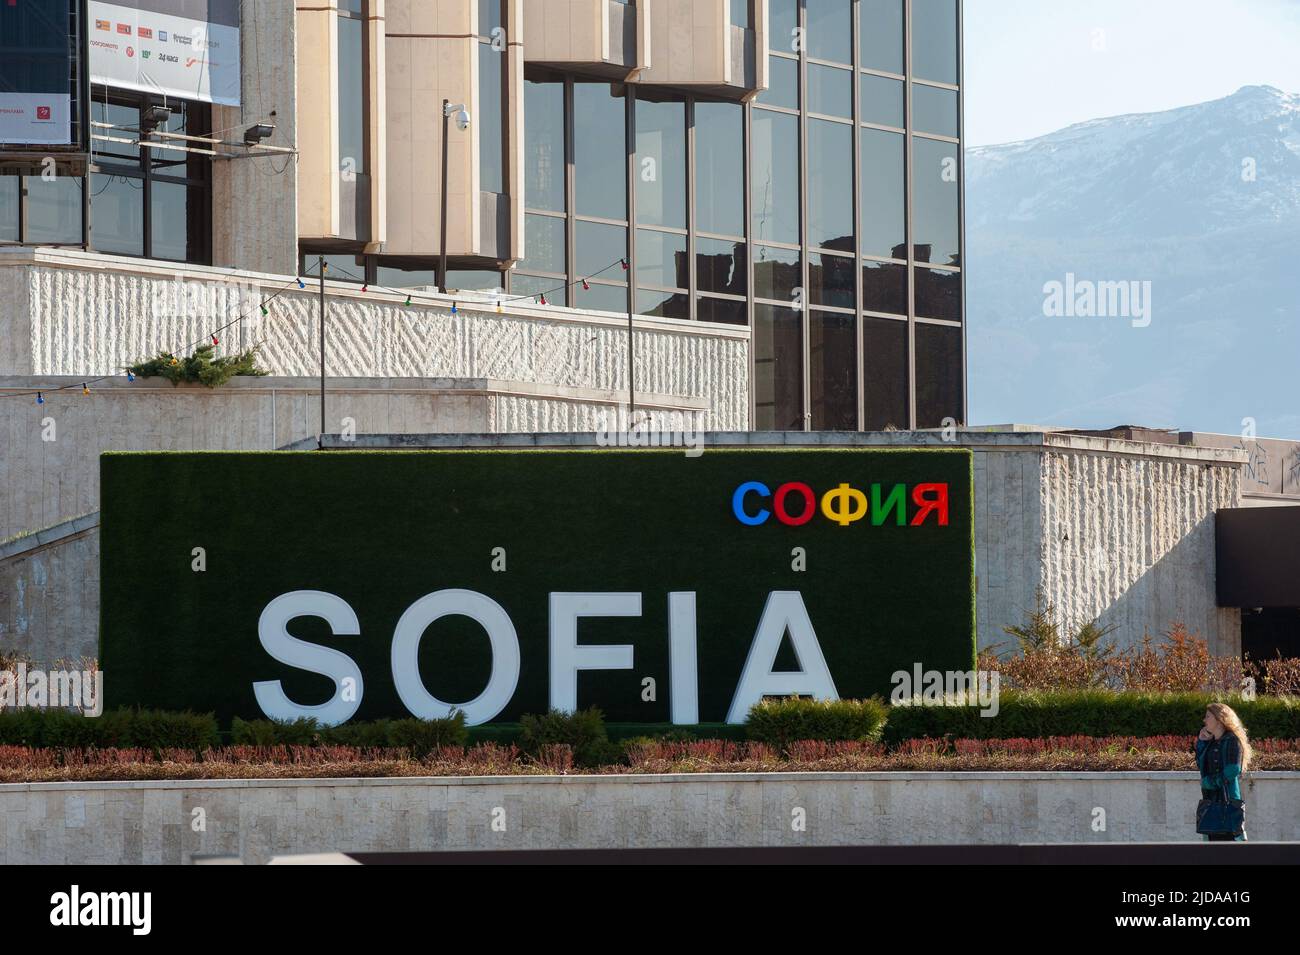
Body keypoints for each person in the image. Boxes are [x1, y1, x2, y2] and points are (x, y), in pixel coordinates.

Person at [1194, 702, 1251, 842]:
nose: (1204, 720)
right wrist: (1202, 742)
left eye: (1208, 716)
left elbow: (1232, 771)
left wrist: (1209, 782)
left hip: (1228, 801)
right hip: (1211, 801)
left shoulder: (1231, 740)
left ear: (1219, 719)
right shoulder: (1211, 742)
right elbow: (1201, 765)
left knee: (1231, 845)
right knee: (1211, 846)